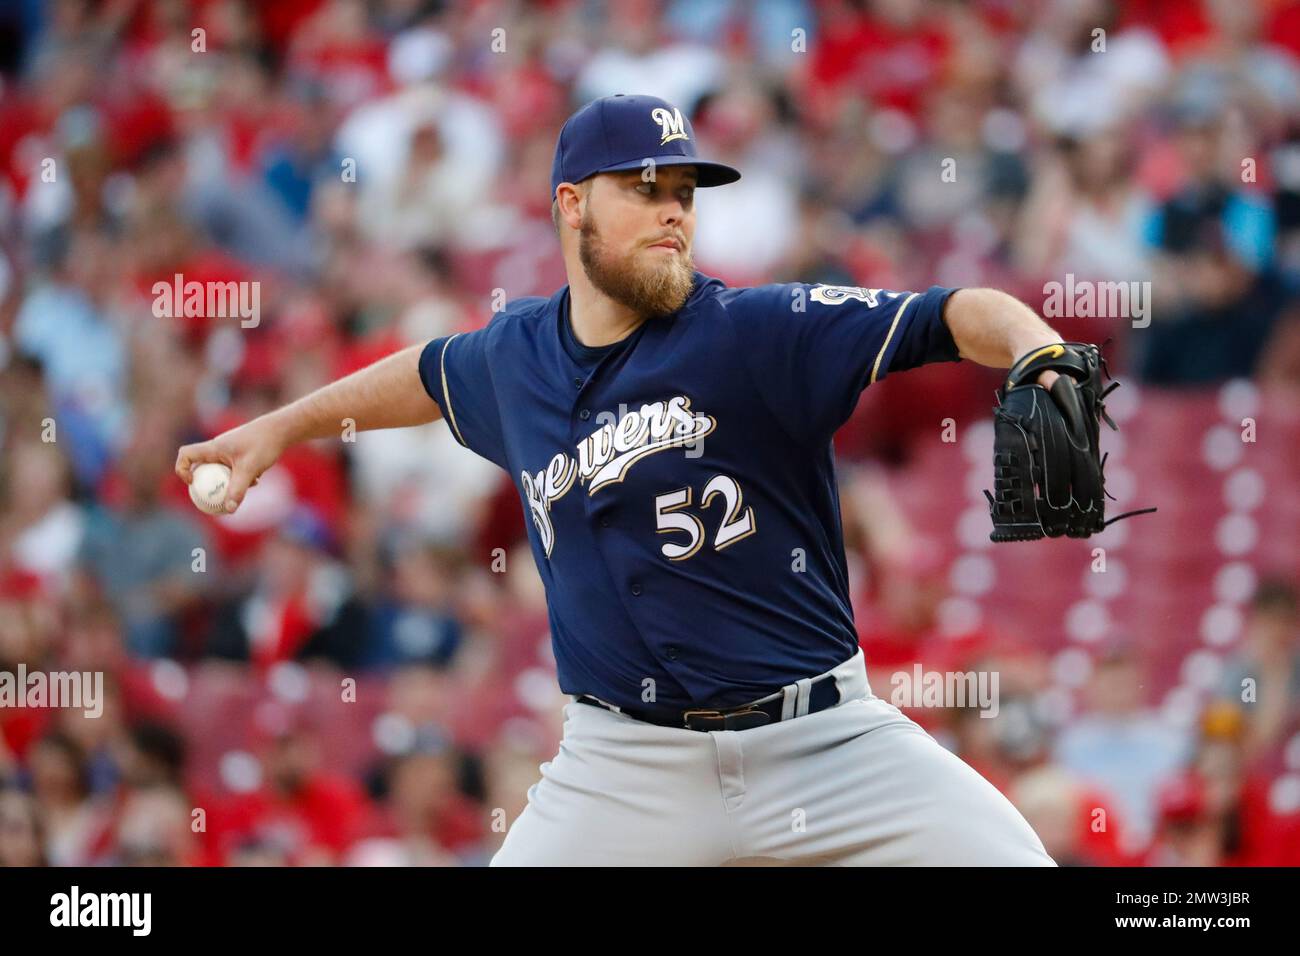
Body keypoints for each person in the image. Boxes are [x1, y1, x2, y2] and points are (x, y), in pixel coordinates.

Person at [176, 94, 1073, 866]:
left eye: (684, 193)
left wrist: (1038, 349)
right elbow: (417, 378)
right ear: (571, 205)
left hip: (822, 740)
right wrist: (273, 430)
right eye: (645, 190)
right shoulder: (514, 359)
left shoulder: (757, 331)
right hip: (623, 766)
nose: (673, 211)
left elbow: (953, 316)